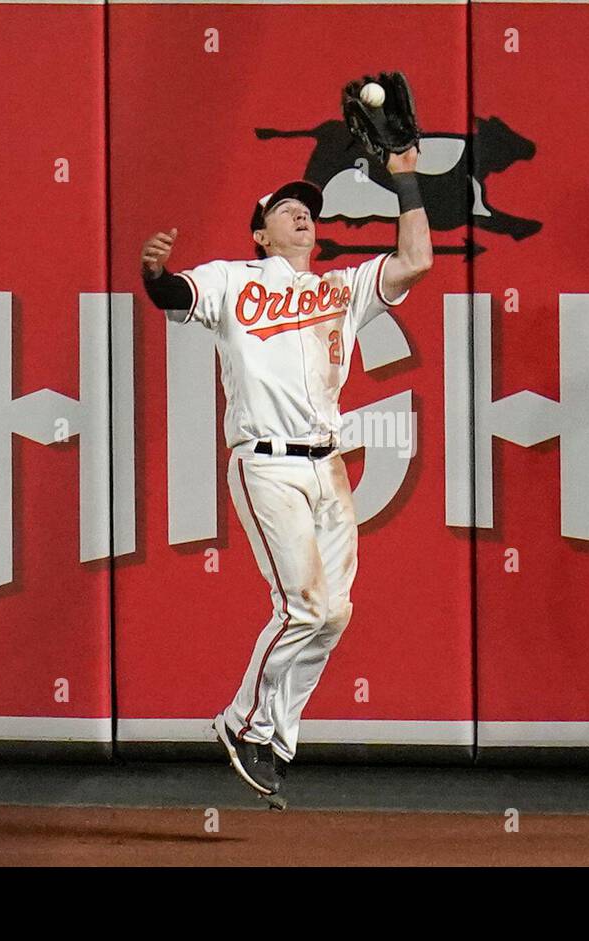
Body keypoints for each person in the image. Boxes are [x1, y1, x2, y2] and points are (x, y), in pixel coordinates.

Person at [140, 146, 432, 806]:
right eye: (285, 209)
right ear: (260, 231)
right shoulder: (231, 279)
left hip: (328, 467)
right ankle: (240, 723)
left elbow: (416, 260)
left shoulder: (340, 290)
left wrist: (406, 175)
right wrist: (152, 271)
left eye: (308, 210)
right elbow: (173, 292)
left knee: (333, 614)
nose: (302, 215)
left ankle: (274, 737)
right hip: (266, 463)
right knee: (301, 605)